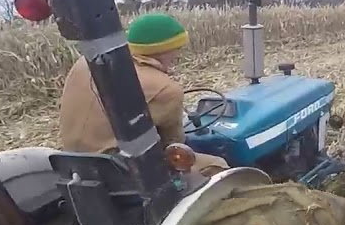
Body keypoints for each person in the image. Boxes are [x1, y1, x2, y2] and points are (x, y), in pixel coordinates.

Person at [58, 12, 227, 175]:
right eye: (177, 50)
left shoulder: (86, 62)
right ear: (166, 50)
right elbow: (174, 144)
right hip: (119, 172)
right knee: (217, 165)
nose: (176, 56)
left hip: (72, 162)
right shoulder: (166, 89)